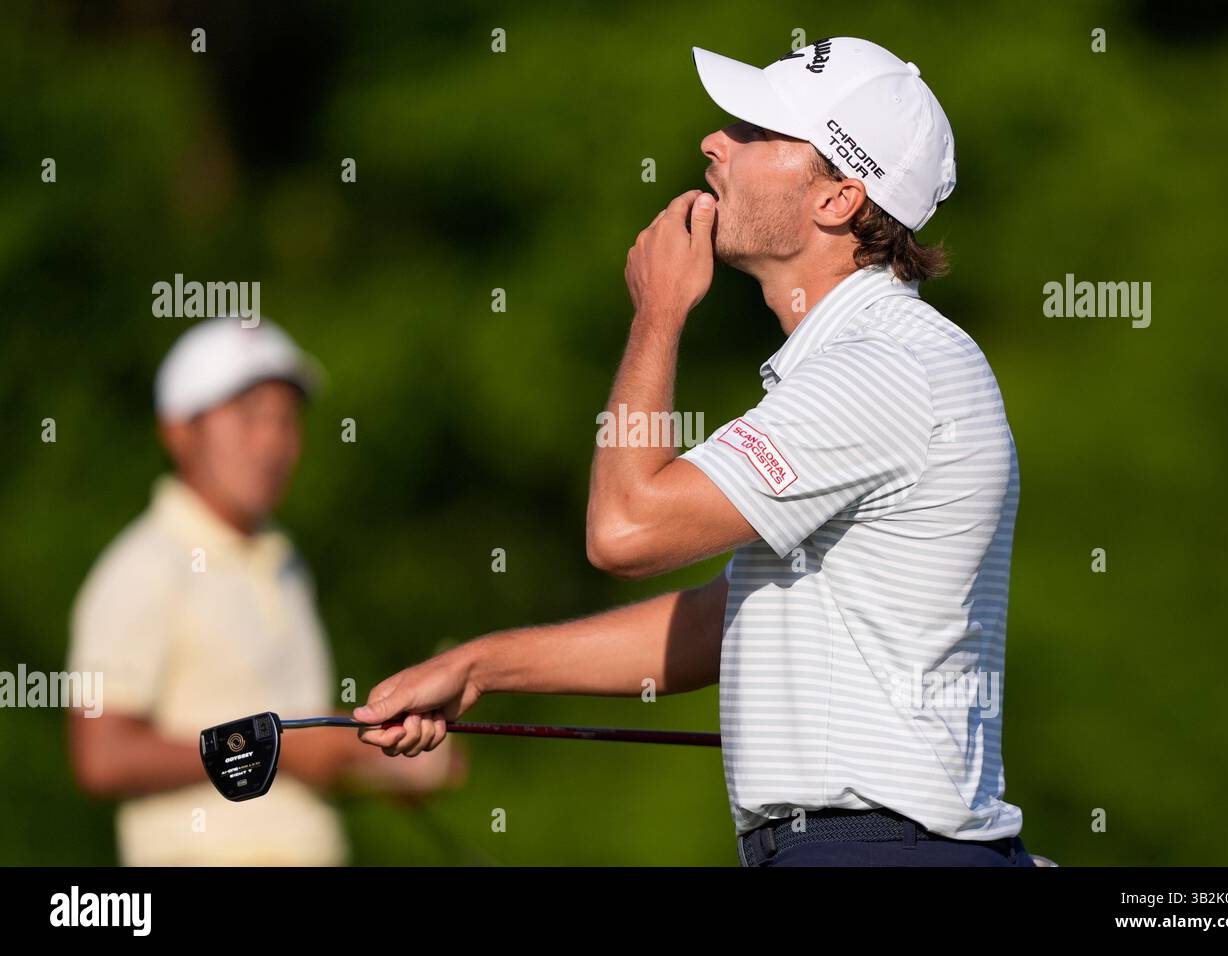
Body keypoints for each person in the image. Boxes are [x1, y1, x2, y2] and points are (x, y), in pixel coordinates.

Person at [352, 37, 1035, 866]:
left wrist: (660, 312)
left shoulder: (880, 367)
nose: (716, 142)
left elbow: (625, 530)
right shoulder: (868, 357)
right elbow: (727, 621)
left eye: (759, 131)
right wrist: (479, 666)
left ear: (839, 199)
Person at [66, 317, 464, 866]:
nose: (273, 441)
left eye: (287, 420)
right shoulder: (141, 566)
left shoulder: (284, 559)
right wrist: (280, 753)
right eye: (249, 415)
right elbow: (101, 757)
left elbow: (298, 757)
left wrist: (377, 763)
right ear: (179, 431)